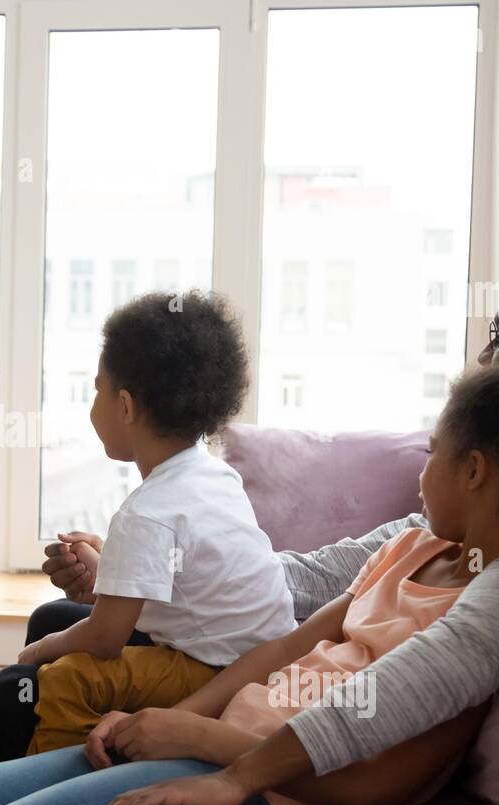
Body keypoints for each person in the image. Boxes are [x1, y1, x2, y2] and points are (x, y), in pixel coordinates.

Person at [0, 315, 499, 805]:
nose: (418, 478)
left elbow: (381, 779)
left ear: (476, 470)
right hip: (223, 735)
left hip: (274, 777)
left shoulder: (488, 611)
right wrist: (169, 714)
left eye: (433, 457)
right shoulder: (411, 545)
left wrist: (209, 747)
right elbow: (291, 640)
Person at [0, 254, 499, 767]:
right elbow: (306, 582)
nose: (483, 360)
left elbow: (390, 705)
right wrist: (146, 569)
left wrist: (201, 740)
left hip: (265, 694)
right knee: (52, 625)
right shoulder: (452, 527)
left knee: (21, 689)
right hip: (261, 661)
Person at [18, 290, 296, 756]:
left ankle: (52, 781)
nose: (93, 405)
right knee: (57, 620)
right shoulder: (213, 474)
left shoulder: (146, 512)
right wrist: (111, 564)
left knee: (65, 675)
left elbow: (105, 638)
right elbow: (186, 580)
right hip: (255, 658)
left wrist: (41, 649)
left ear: (124, 406)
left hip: (214, 669)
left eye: (96, 390)